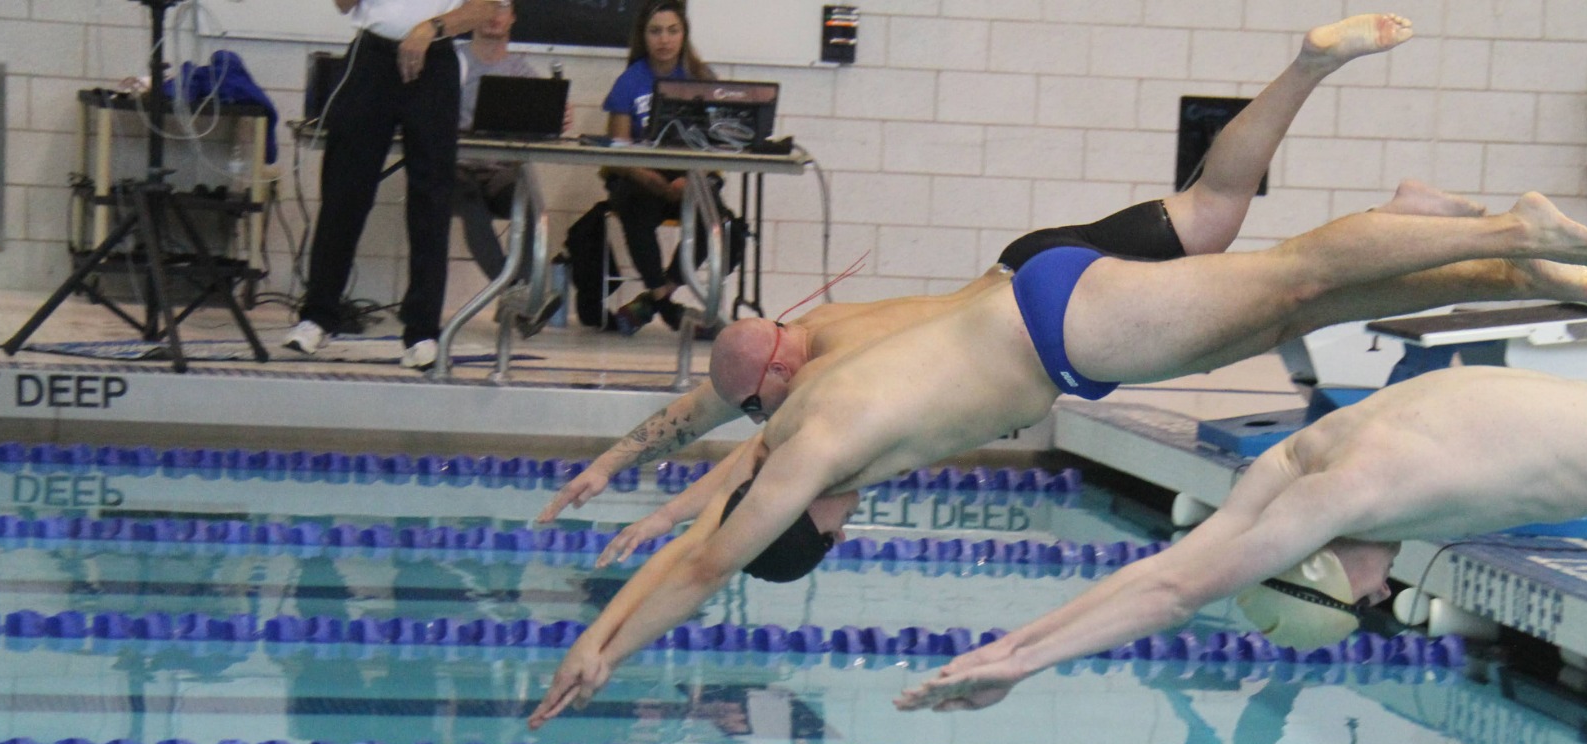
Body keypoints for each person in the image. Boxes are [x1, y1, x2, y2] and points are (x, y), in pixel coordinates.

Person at [523, 185, 1587, 730]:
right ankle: (1499, 269)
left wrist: (605, 646)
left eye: (827, 530)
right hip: (1052, 317)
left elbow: (709, 559)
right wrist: (601, 622)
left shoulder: (809, 458)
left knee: (1291, 278)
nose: (844, 522)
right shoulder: (793, 420)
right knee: (1296, 301)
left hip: (1067, 329)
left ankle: (1510, 232)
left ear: (812, 521)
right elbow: (704, 523)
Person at [891, 252, 1587, 713]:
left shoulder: (1342, 496)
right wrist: (1009, 646)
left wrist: (1023, 666)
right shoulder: (1293, 461)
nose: (1378, 596)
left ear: (1319, 571)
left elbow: (1176, 589)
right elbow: (1172, 564)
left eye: (1356, 605)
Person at [538, 12, 1424, 547]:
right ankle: (1319, 82)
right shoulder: (834, 326)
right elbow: (694, 414)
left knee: (1275, 291)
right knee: (1216, 203)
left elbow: (748, 464)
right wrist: (605, 468)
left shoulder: (826, 385)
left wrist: (664, 520)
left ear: (775, 376)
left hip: (1052, 312)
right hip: (1030, 256)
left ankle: (1396, 227)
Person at [286, 0, 509, 369]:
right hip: (372, 55)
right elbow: (344, 6)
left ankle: (422, 331)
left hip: (436, 55)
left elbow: (485, 8)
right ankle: (319, 316)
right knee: (345, 191)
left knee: (431, 199)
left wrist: (432, 28)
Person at [599, 0, 719, 335]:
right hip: (641, 177)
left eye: (672, 30)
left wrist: (688, 180)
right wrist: (654, 181)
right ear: (643, 36)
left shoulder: (702, 78)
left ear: (684, 34)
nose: (664, 40)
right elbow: (619, 151)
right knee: (635, 211)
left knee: (725, 229)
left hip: (690, 177)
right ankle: (669, 309)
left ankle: (652, 300)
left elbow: (717, 145)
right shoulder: (629, 81)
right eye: (655, 31)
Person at [450, 0, 566, 333]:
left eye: (500, 6)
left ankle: (521, 301)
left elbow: (538, 130)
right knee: (471, 204)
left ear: (512, 17)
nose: (492, 15)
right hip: (457, 168)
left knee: (528, 202)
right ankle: (518, 294)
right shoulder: (453, 61)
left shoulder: (522, 72)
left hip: (500, 171)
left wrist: (555, 119)